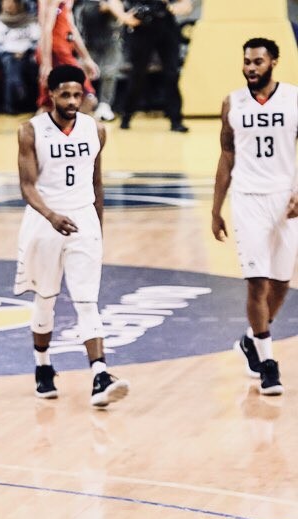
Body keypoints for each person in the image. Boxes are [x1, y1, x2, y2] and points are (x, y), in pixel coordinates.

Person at [14, 65, 130, 408]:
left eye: (78, 94)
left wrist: (99, 226)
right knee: (46, 298)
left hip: (82, 220)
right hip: (44, 219)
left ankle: (99, 374)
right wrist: (50, 215)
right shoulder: (29, 131)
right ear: (50, 94)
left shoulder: (96, 130)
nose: (72, 101)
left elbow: (97, 183)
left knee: (87, 299)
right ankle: (43, 367)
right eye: (65, 94)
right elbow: (27, 186)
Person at [211, 38, 298, 395]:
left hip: (284, 199)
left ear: (273, 62)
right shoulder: (232, 102)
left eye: (258, 62)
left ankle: (251, 339)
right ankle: (267, 362)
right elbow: (227, 156)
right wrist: (216, 208)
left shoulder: (294, 99)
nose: (250, 68)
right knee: (256, 281)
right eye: (246, 61)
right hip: (247, 198)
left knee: (281, 283)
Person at [119, 0, 192, 132]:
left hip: (166, 25)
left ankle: (176, 119)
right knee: (137, 75)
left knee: (172, 74)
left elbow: (186, 5)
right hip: (141, 26)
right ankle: (127, 114)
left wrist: (175, 7)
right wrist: (123, 16)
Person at [74, 0, 133, 122]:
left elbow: (122, 9)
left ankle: (105, 105)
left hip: (110, 38)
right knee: (82, 72)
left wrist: (111, 7)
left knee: (109, 72)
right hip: (88, 38)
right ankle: (80, 104)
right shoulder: (83, 5)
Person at [36, 0, 98, 113]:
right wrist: (46, 63)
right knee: (48, 105)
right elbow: (46, 29)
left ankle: (67, 128)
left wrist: (86, 58)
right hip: (54, 53)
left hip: (63, 51)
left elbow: (72, 29)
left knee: (85, 98)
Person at [0, 0, 39, 114]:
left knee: (31, 65)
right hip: (7, 54)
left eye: (11, 3)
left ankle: (26, 98)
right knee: (12, 64)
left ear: (18, 5)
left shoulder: (30, 21)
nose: (8, 6)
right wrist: (13, 52)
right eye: (5, 3)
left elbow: (37, 40)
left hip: (28, 53)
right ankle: (13, 102)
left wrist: (26, 51)